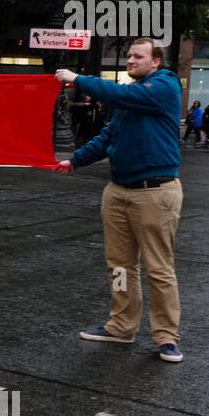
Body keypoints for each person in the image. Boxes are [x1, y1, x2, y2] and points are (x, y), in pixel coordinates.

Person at [54, 38, 185, 362]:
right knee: (120, 265)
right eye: (128, 55)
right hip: (118, 190)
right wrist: (76, 160)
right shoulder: (132, 98)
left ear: (156, 62)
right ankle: (122, 327)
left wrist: (77, 78)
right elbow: (109, 136)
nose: (130, 60)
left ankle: (166, 337)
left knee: (159, 268)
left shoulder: (163, 87)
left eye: (137, 56)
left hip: (156, 191)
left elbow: (121, 94)